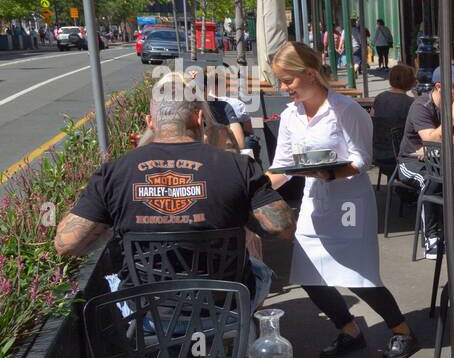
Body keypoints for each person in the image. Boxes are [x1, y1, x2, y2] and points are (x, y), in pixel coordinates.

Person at [52, 73, 293, 311]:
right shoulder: (237, 166)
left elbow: (67, 244)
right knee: (259, 269)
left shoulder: (114, 173)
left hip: (145, 311)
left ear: (149, 122)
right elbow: (281, 226)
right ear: (200, 118)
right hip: (223, 305)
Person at [265, 41, 419, 358]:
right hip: (314, 204)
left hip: (349, 204)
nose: (283, 87)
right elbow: (282, 167)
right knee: (309, 277)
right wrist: (252, 188)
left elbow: (363, 160)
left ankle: (402, 330)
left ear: (309, 74)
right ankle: (350, 330)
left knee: (357, 276)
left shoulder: (346, 110)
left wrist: (330, 174)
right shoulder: (291, 115)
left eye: (287, 80)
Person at [395, 65, 454, 258]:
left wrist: (433, 147)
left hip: (439, 159)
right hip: (410, 162)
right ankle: (431, 238)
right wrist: (451, 116)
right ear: (439, 86)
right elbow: (430, 138)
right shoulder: (421, 106)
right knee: (430, 181)